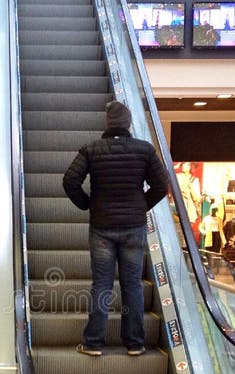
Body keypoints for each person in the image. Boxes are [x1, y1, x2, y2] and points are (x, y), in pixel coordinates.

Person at [62, 100, 168, 357]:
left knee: (102, 284)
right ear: (129, 123)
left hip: (102, 227)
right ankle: (134, 343)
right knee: (132, 284)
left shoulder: (92, 149)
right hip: (133, 227)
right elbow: (162, 186)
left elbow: (70, 180)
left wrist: (87, 204)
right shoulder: (145, 150)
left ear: (108, 123)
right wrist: (141, 206)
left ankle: (94, 343)